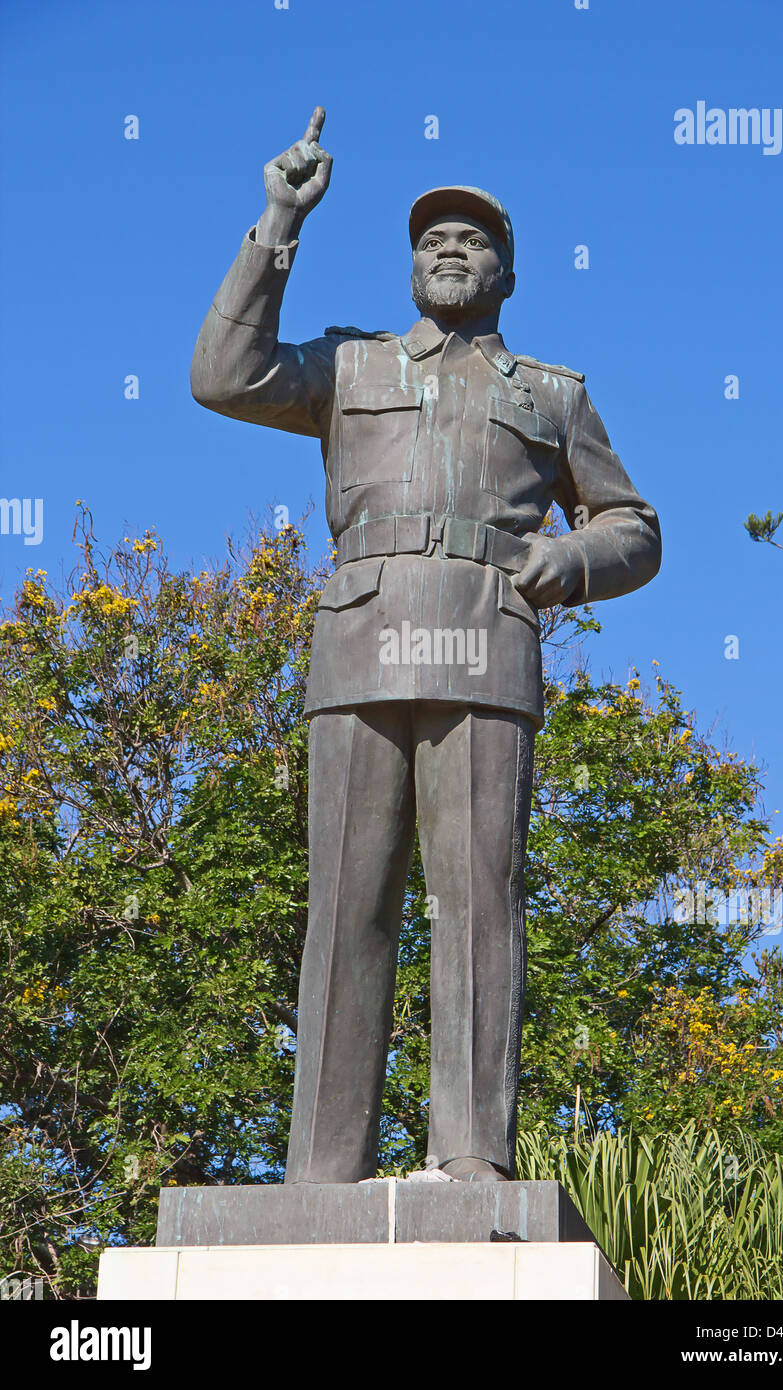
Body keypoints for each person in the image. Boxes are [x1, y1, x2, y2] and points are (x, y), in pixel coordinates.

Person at [190, 107, 661, 1183]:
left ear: (506, 274)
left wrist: (572, 559)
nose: (450, 249)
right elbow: (222, 376)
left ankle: (470, 1157)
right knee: (345, 904)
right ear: (410, 267)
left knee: (479, 900)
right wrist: (278, 221)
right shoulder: (349, 365)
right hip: (360, 642)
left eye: (473, 239)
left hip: (485, 649)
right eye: (432, 239)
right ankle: (320, 1170)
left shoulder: (552, 395)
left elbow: (634, 525)